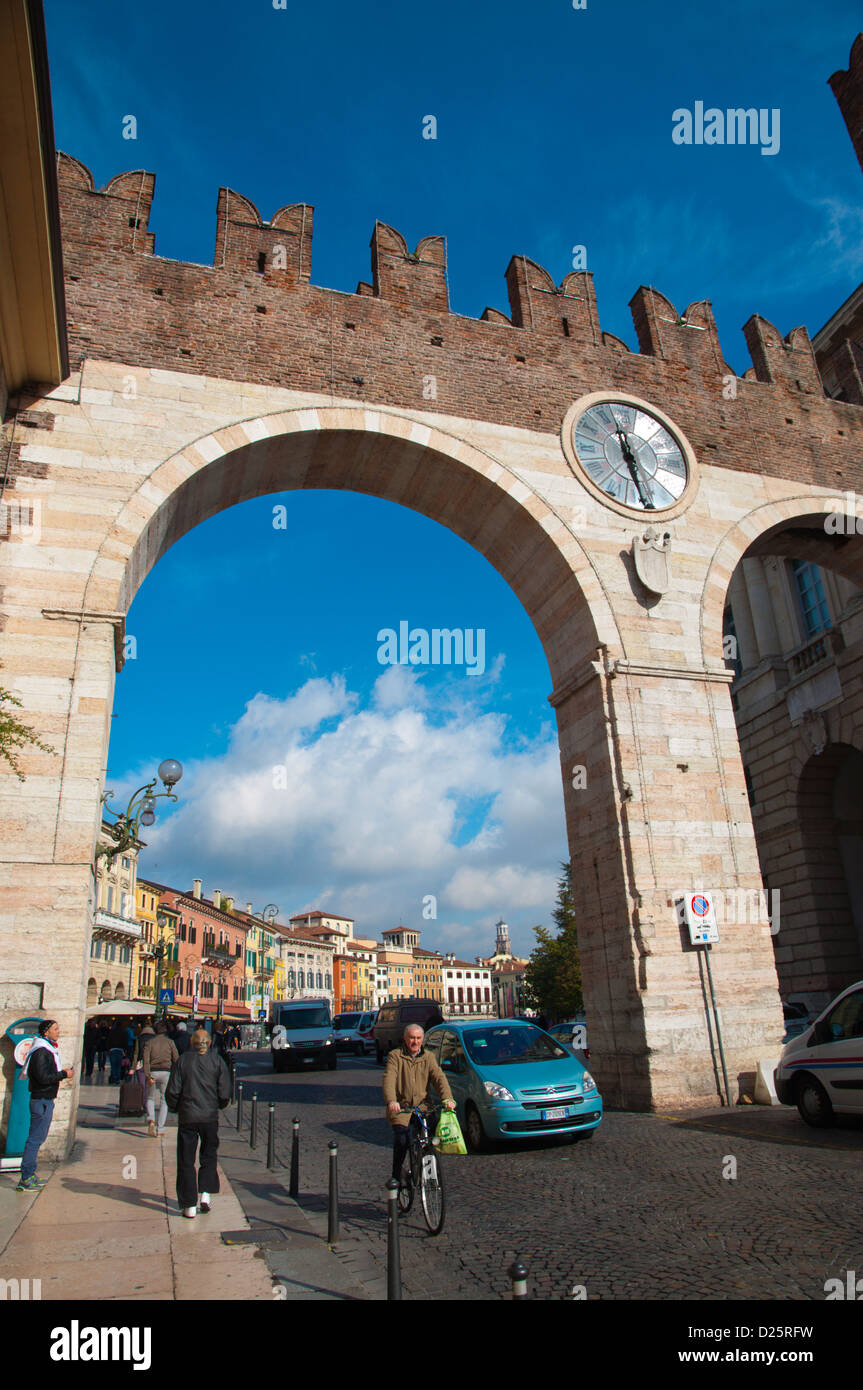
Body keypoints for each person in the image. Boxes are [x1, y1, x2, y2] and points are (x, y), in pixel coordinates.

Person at [165, 1026, 231, 1218]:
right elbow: (225, 1092)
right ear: (209, 1043)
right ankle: (206, 1195)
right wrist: (218, 1104)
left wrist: (177, 1108)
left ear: (191, 1043)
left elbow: (173, 1091)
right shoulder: (217, 1061)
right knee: (208, 1156)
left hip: (188, 1117)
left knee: (186, 1160)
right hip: (209, 1117)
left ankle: (189, 1206)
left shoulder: (183, 1061)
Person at [383, 1024, 457, 1187]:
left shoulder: (428, 1057)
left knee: (431, 1134)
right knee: (402, 1139)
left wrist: (447, 1098)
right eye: (411, 1038)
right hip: (402, 1108)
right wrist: (391, 1101)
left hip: (423, 1106)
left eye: (418, 1038)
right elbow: (389, 1079)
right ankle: (396, 1175)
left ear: (422, 1040)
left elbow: (439, 1078)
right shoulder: (396, 1056)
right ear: (405, 1039)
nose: (415, 1042)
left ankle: (426, 1165)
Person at [16, 1020, 74, 1191]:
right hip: (41, 1099)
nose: (58, 1031)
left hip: (44, 1099)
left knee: (37, 1138)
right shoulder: (42, 1051)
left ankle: (29, 1175)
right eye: (55, 1029)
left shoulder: (46, 1049)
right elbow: (43, 1077)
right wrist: (63, 1074)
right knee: (35, 1139)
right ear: (46, 1032)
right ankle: (26, 1177)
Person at [144, 1020, 179, 1137]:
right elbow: (176, 1059)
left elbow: (146, 1061)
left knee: (150, 1097)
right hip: (165, 1072)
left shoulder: (149, 1043)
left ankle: (151, 1119)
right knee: (164, 1100)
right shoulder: (170, 1042)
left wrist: (148, 1074)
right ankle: (161, 1129)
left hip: (153, 1072)